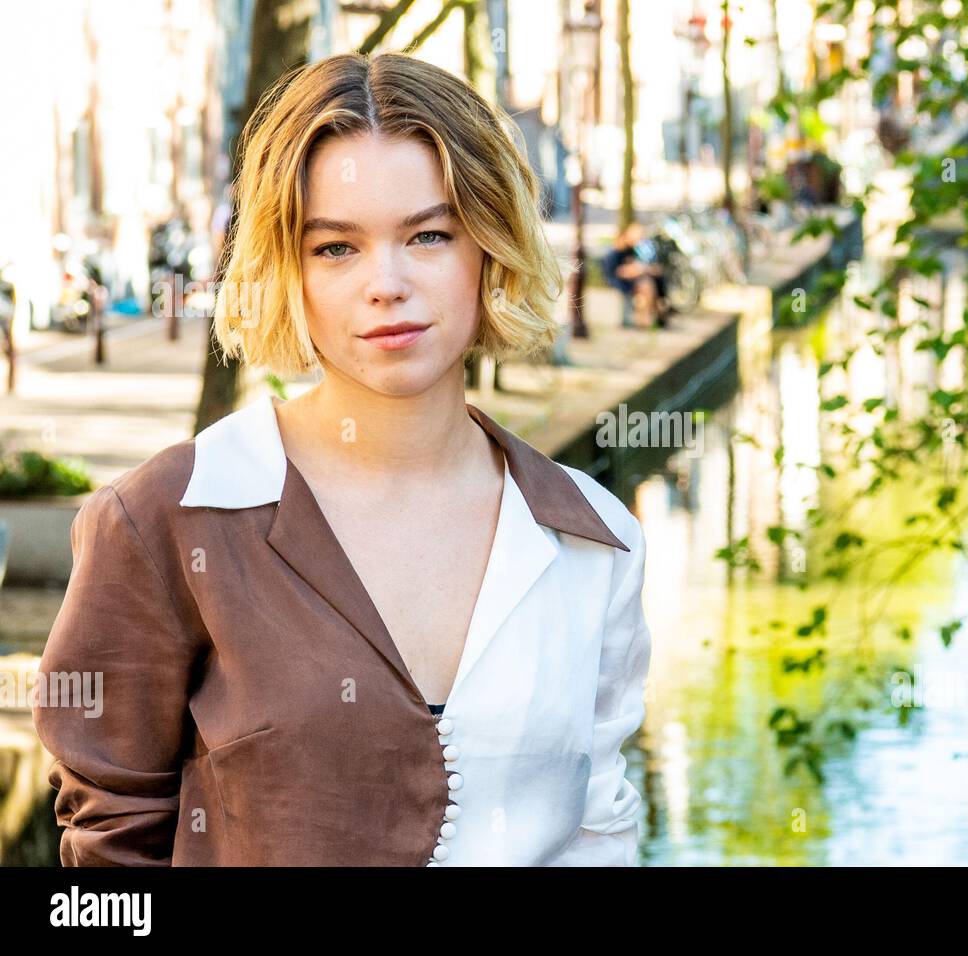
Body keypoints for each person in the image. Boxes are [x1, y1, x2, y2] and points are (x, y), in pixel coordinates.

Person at [33, 51, 652, 867]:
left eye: (429, 235)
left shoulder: (593, 537)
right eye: (335, 248)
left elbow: (598, 834)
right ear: (286, 267)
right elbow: (110, 849)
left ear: (490, 248)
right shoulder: (163, 523)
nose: (385, 283)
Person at [602, 221, 670, 328]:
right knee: (647, 285)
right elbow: (619, 271)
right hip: (618, 280)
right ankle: (647, 318)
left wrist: (646, 270)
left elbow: (639, 265)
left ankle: (654, 315)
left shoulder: (633, 249)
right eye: (639, 235)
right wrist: (641, 270)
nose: (641, 238)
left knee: (652, 281)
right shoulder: (619, 249)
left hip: (633, 278)